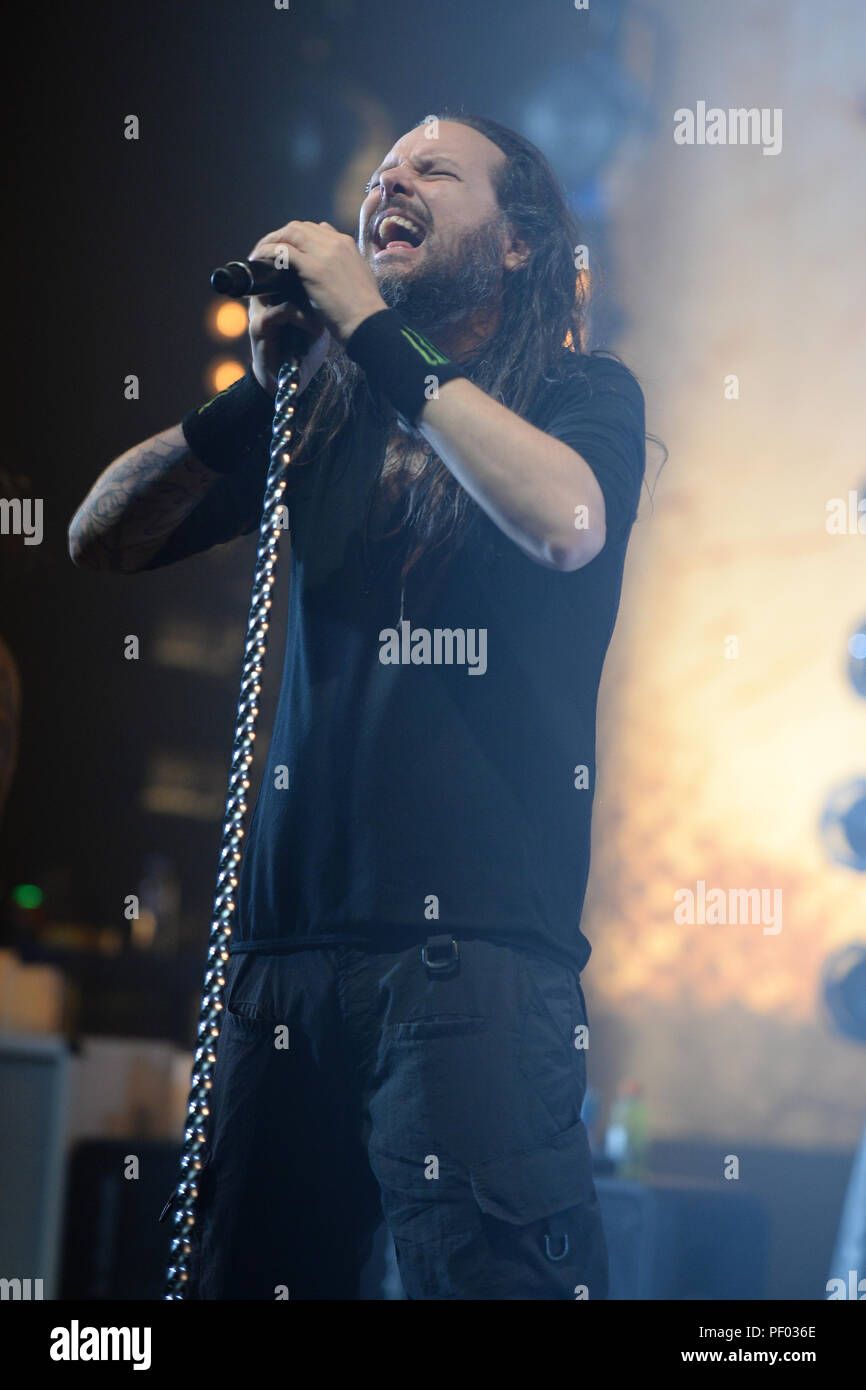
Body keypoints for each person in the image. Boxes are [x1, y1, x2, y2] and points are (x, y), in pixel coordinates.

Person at [69, 113, 647, 1300]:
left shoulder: (578, 393)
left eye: (434, 170)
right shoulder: (320, 412)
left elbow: (565, 525)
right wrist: (263, 388)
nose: (393, 183)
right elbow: (99, 534)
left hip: (472, 965)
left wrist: (375, 335)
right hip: (282, 963)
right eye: (382, 172)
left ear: (521, 242)